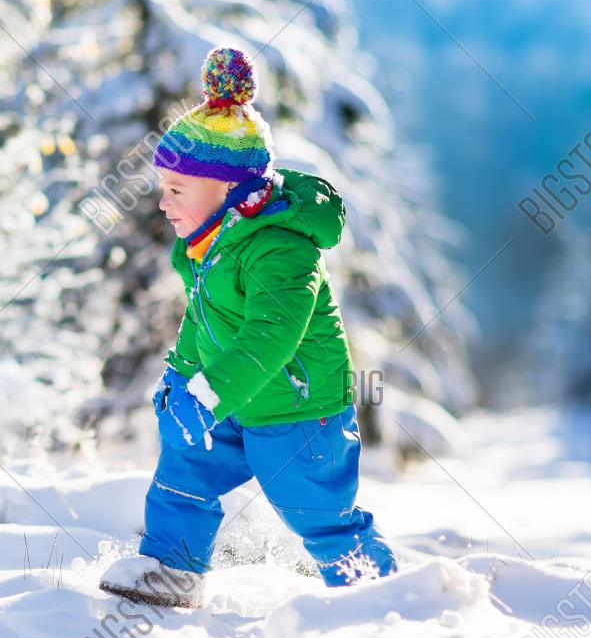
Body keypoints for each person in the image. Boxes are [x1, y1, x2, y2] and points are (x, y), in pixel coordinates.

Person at [100, 46, 398, 609]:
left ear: (228, 190)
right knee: (185, 468)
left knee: (315, 509)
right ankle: (171, 570)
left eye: (176, 190)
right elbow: (204, 326)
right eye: (163, 189)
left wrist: (208, 393)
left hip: (297, 408)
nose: (163, 204)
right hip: (232, 400)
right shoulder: (211, 247)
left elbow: (270, 336)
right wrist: (182, 378)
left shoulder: (282, 251)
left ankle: (378, 594)